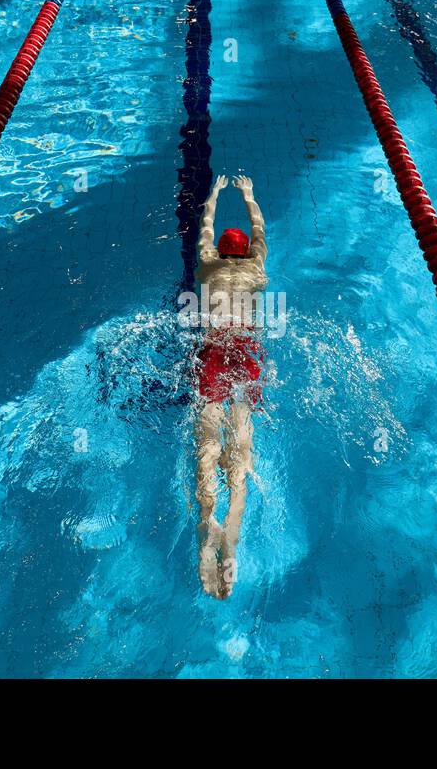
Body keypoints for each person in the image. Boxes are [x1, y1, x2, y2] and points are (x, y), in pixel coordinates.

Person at [193, 174, 267, 599]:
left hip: (213, 350)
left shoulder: (207, 266)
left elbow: (204, 226)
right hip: (246, 353)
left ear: (220, 251)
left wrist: (215, 194)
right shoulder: (256, 268)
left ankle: (208, 528)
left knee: (208, 447)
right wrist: (249, 196)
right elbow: (259, 230)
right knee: (240, 451)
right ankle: (232, 540)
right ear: (247, 254)